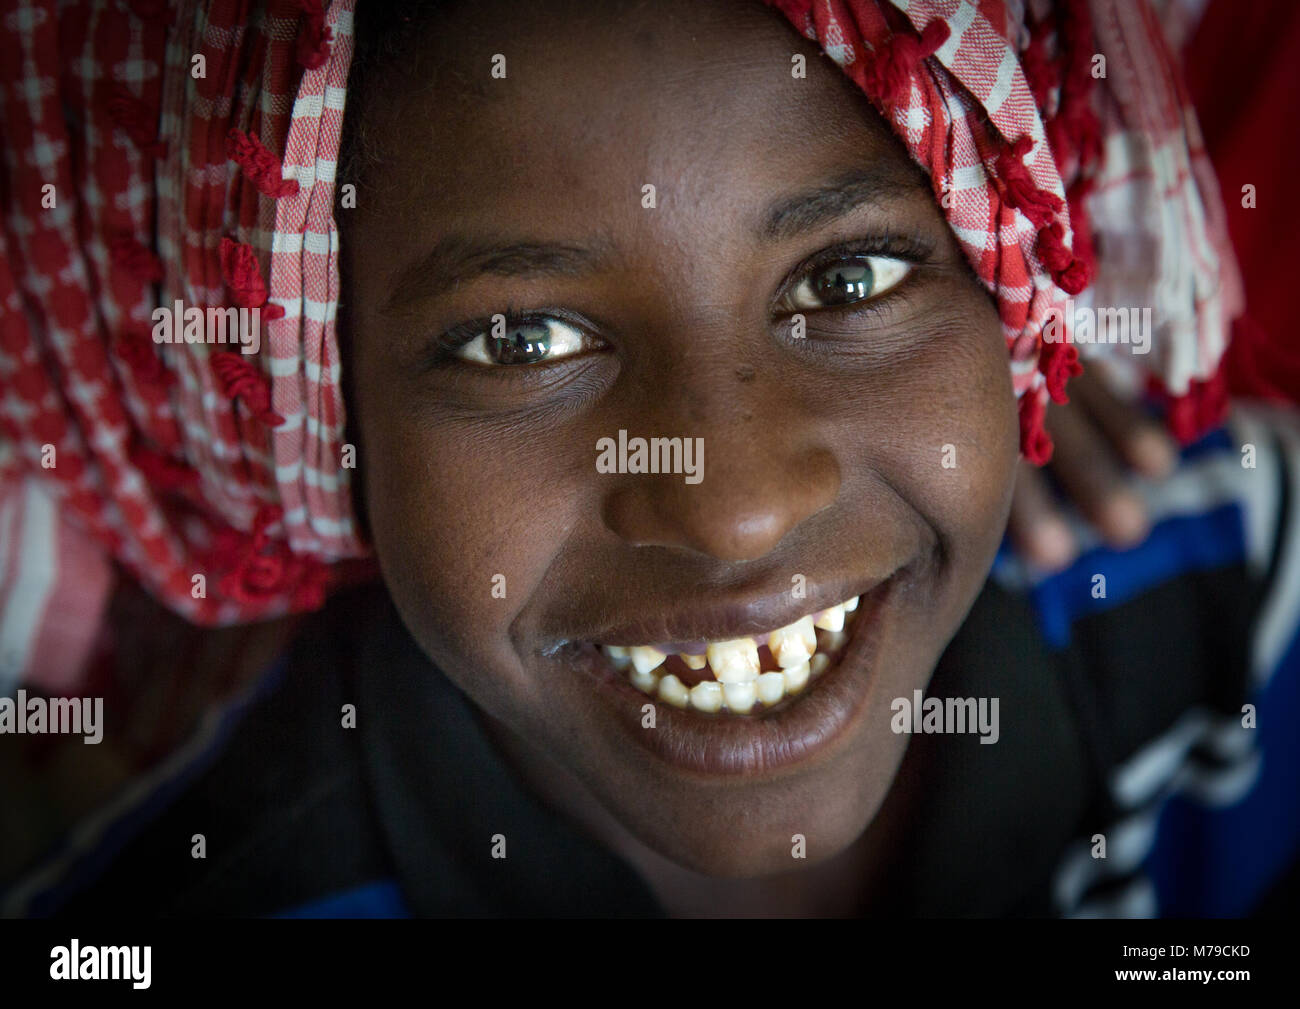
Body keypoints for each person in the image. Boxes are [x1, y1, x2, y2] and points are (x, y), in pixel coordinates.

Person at [1, 0, 1296, 917]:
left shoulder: (1229, 581)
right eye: (521, 337)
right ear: (314, 418)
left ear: (1009, 295)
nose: (736, 509)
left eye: (851, 277)